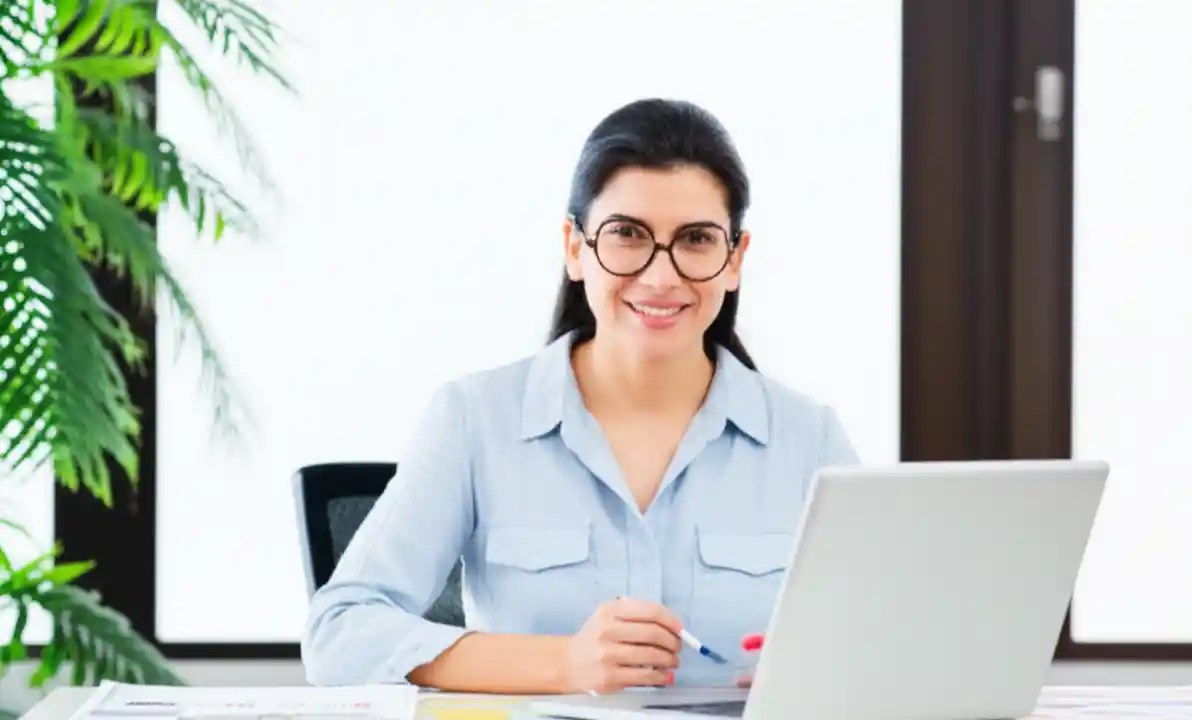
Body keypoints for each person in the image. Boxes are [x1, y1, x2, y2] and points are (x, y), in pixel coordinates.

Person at [301, 98, 859, 693]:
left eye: (696, 239)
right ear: (575, 246)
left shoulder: (809, 437)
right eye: (627, 235)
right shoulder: (475, 419)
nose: (662, 275)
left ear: (733, 259)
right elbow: (340, 634)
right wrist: (562, 664)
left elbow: (898, 634)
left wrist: (824, 667)